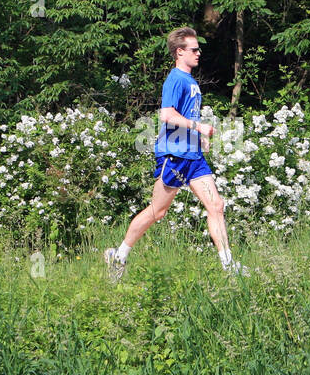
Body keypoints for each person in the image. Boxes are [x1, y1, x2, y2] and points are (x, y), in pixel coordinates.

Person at [105, 27, 247, 280]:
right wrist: (199, 126)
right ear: (179, 52)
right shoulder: (175, 79)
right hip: (174, 157)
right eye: (193, 49)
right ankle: (119, 255)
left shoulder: (190, 81)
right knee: (157, 212)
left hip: (193, 157)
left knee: (216, 205)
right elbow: (167, 115)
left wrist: (198, 138)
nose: (198, 53)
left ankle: (229, 268)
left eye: (198, 49)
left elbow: (183, 117)